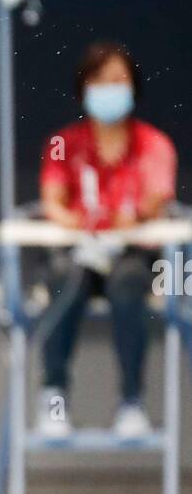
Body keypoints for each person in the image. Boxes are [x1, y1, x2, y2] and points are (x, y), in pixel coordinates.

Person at [38, 41, 177, 440]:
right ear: (84, 87)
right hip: (82, 251)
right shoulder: (63, 142)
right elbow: (53, 202)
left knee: (128, 282)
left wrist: (137, 214)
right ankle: (54, 401)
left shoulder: (153, 143)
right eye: (101, 80)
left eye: (119, 79)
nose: (110, 88)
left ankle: (132, 403)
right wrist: (78, 221)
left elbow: (157, 197)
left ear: (133, 87)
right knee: (64, 276)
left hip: (131, 254)